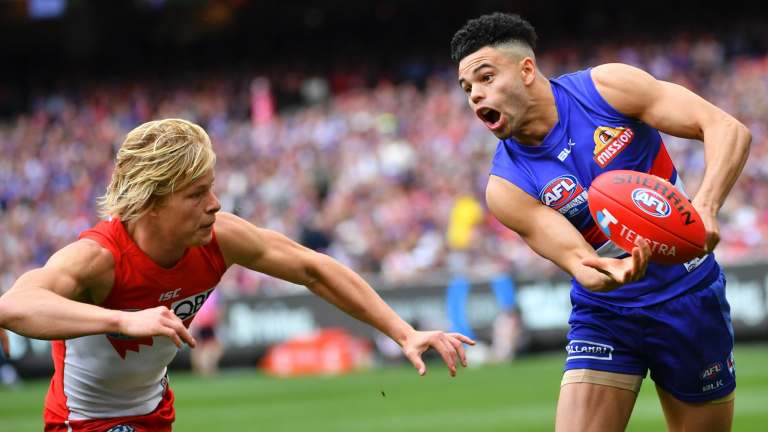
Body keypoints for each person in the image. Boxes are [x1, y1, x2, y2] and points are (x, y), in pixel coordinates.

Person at [0, 118, 475, 432]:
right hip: (81, 422)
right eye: (196, 194)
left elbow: (313, 269)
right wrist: (123, 320)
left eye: (213, 188)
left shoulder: (218, 238)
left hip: (155, 416)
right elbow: (14, 306)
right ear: (151, 201)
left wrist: (403, 332)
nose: (215, 204)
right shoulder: (98, 257)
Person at [451, 13, 750, 432]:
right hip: (608, 312)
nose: (475, 96)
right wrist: (602, 273)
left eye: (485, 78)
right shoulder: (506, 189)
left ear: (526, 69)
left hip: (689, 295)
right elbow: (578, 261)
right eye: (467, 89)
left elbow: (726, 129)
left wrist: (706, 205)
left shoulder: (605, 88)